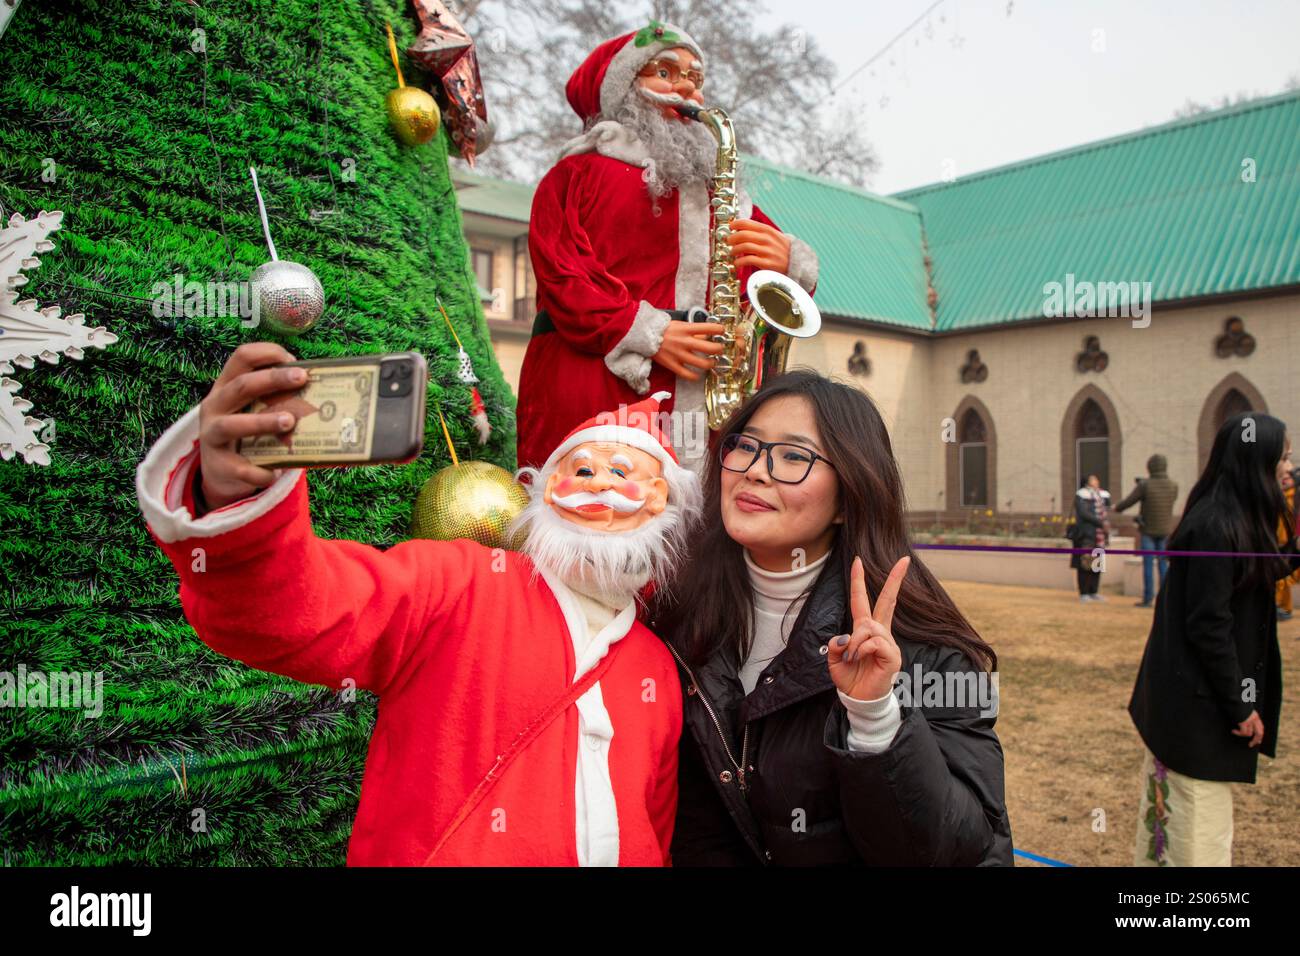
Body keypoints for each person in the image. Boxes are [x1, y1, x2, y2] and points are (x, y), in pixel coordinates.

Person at [135, 342, 703, 866]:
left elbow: (653, 830)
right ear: (547, 489)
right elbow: (294, 614)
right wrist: (239, 502)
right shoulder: (457, 582)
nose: (597, 483)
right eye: (581, 468)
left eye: (623, 472)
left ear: (663, 504)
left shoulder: (657, 668)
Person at [648, 369, 1012, 865]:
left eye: (795, 456)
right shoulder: (671, 614)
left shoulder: (924, 651)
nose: (755, 470)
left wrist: (875, 716)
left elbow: (958, 850)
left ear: (848, 497)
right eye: (746, 445)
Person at [515, 20, 820, 477]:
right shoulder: (574, 175)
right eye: (665, 71)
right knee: (596, 523)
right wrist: (650, 332)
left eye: (696, 78)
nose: (686, 88)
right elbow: (564, 276)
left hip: (709, 402)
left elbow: (771, 291)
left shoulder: (726, 193)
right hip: (601, 387)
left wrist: (786, 262)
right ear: (622, 89)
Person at [1128, 412, 1297, 866]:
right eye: (1281, 457)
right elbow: (1209, 626)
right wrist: (1240, 707)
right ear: (1254, 459)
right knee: (1194, 834)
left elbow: (1252, 574)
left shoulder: (1233, 519)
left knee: (1187, 823)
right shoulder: (1216, 525)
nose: (1288, 466)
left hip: (1194, 710)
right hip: (1194, 713)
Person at [1113, 454, 1179, 607]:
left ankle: (1148, 598)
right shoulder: (1173, 485)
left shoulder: (1145, 485)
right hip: (1165, 530)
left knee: (1148, 565)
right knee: (1163, 566)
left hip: (1148, 530)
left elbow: (1130, 501)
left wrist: (1117, 508)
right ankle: (1165, 600)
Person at [1070, 474, 1111, 602]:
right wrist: (1100, 523)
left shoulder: (1103, 495)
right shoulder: (1081, 496)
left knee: (1097, 564)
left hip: (1099, 536)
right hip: (1086, 535)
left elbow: (1107, 509)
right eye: (1094, 479)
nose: (1097, 481)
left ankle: (1094, 591)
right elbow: (1083, 514)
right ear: (1087, 482)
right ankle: (1084, 592)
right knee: (1085, 564)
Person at [1275, 466, 1297, 620]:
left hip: (1289, 542)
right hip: (1280, 542)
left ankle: (1284, 607)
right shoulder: (1279, 497)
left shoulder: (1294, 496)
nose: (1285, 478)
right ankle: (1281, 606)